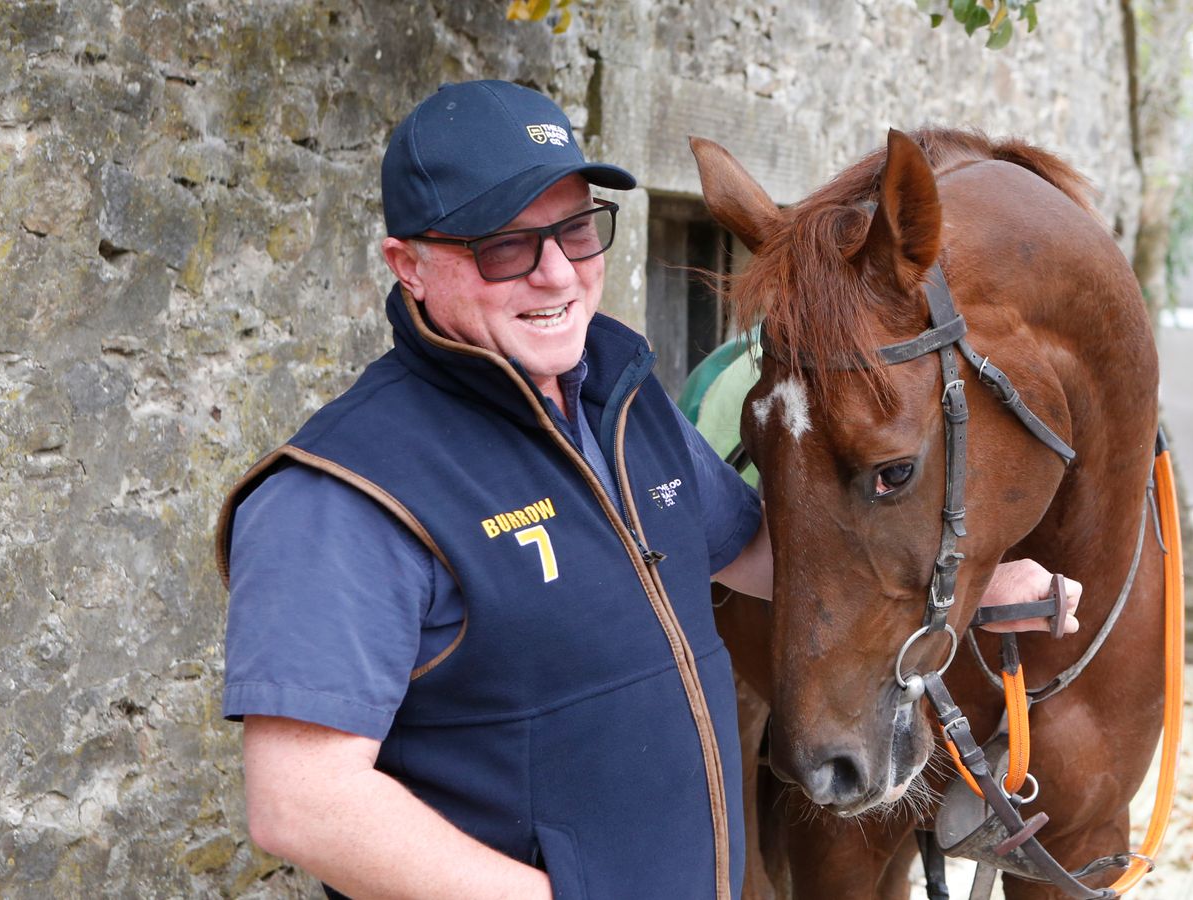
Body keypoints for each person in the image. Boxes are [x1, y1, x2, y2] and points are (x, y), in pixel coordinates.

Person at [214, 80, 1081, 900]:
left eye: (576, 230)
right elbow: (302, 804)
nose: (557, 274)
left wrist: (967, 582)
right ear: (408, 265)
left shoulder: (620, 399)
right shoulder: (341, 495)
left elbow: (756, 552)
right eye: (504, 246)